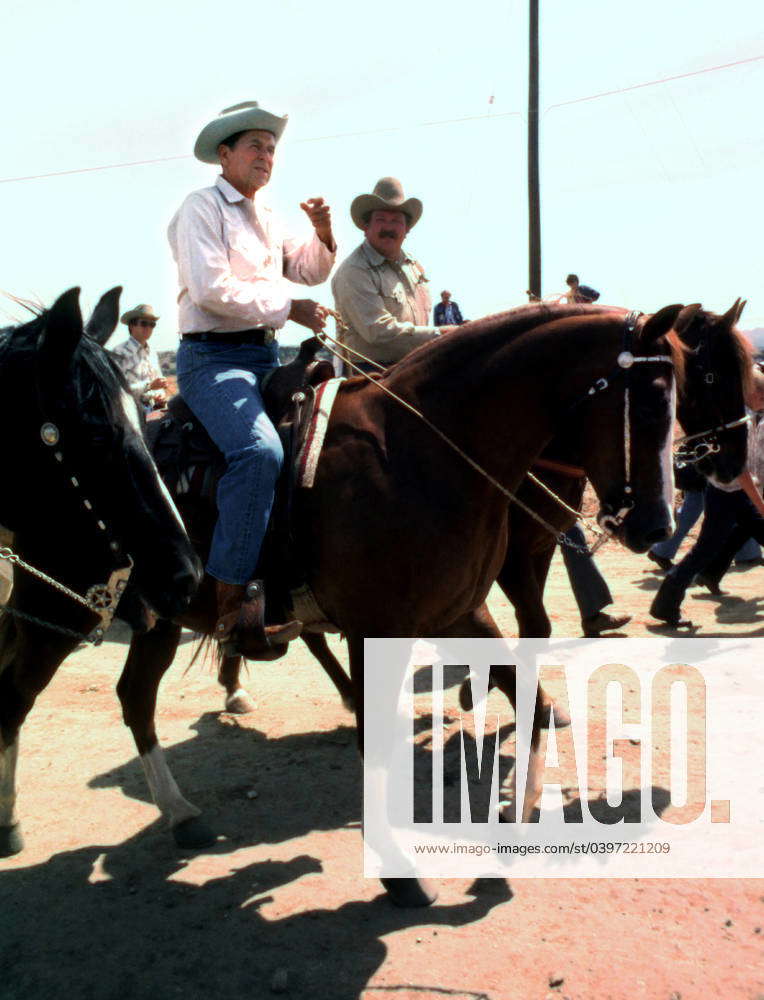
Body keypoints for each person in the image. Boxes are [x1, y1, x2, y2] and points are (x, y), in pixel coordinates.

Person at [167, 100, 336, 656]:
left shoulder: (269, 215)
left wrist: (323, 231)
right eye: (255, 146)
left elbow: (308, 269)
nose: (266, 156)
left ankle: (305, 577)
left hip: (264, 357)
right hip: (212, 360)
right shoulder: (201, 209)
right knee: (258, 454)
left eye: (271, 148)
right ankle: (229, 603)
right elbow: (214, 290)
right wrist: (289, 308)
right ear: (225, 154)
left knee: (333, 441)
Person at [650, 368, 764, 625]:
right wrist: (761, 504)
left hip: (736, 493)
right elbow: (741, 470)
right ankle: (666, 603)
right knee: (703, 550)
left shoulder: (748, 416)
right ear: (751, 393)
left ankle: (703, 579)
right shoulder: (738, 421)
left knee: (708, 549)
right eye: (763, 396)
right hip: (727, 493)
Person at [331, 177, 455, 373]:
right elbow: (378, 332)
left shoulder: (412, 267)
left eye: (396, 221)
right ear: (366, 227)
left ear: (407, 229)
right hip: (368, 378)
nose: (388, 227)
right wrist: (441, 334)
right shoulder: (355, 270)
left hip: (411, 369)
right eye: (381, 220)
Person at [111, 304, 168, 411]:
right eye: (144, 323)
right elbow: (118, 391)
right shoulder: (119, 352)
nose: (148, 328)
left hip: (155, 410)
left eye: (152, 324)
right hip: (131, 414)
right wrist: (149, 386)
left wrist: (160, 395)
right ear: (131, 326)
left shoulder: (152, 353)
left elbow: (158, 383)